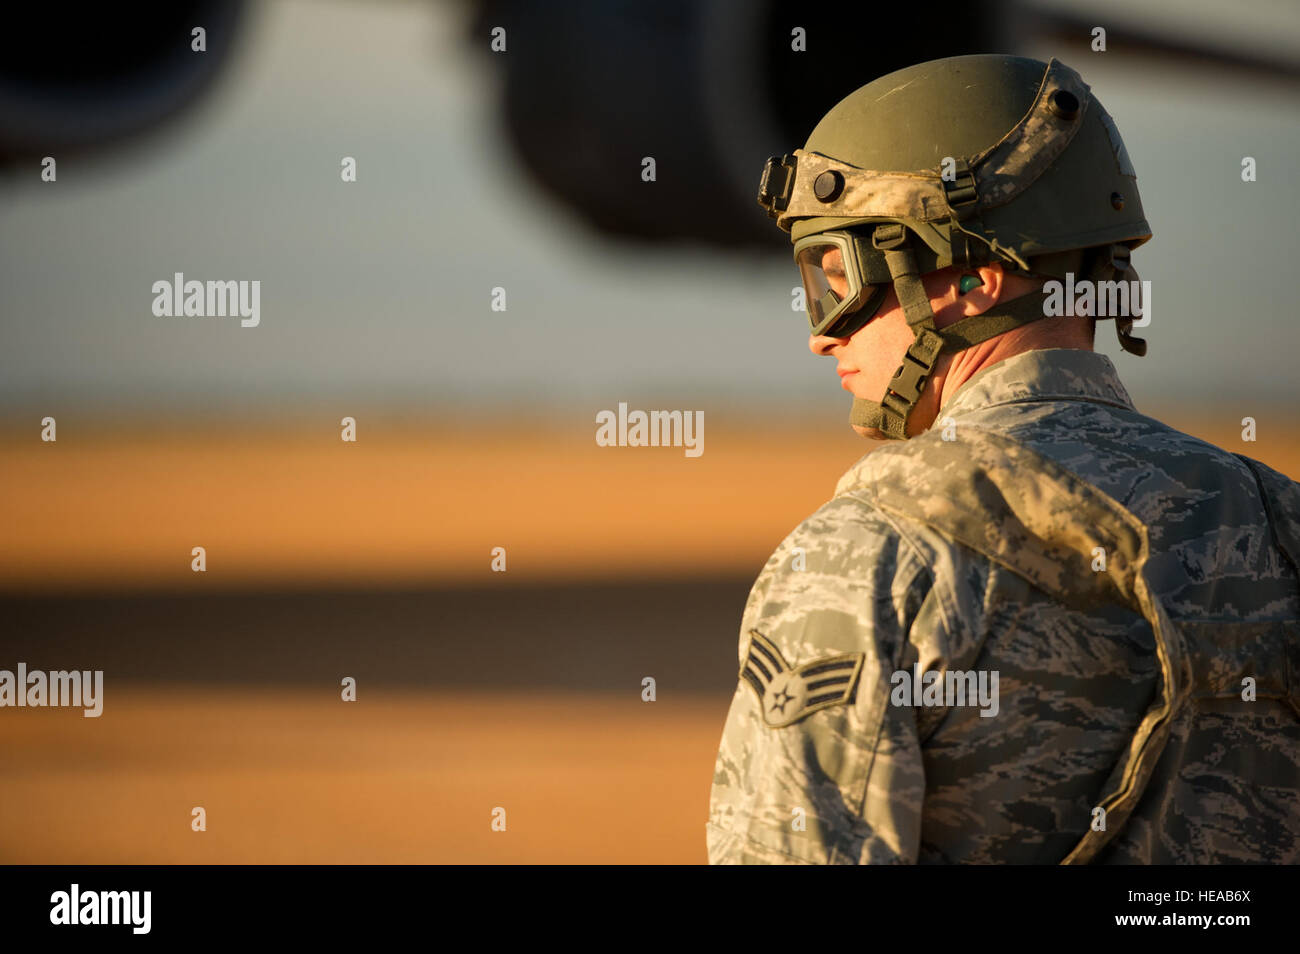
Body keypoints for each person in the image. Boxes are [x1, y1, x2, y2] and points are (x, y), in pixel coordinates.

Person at [707, 53, 1300, 864]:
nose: (823, 333)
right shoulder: (1277, 522)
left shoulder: (866, 559)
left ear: (975, 278)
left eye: (839, 281)